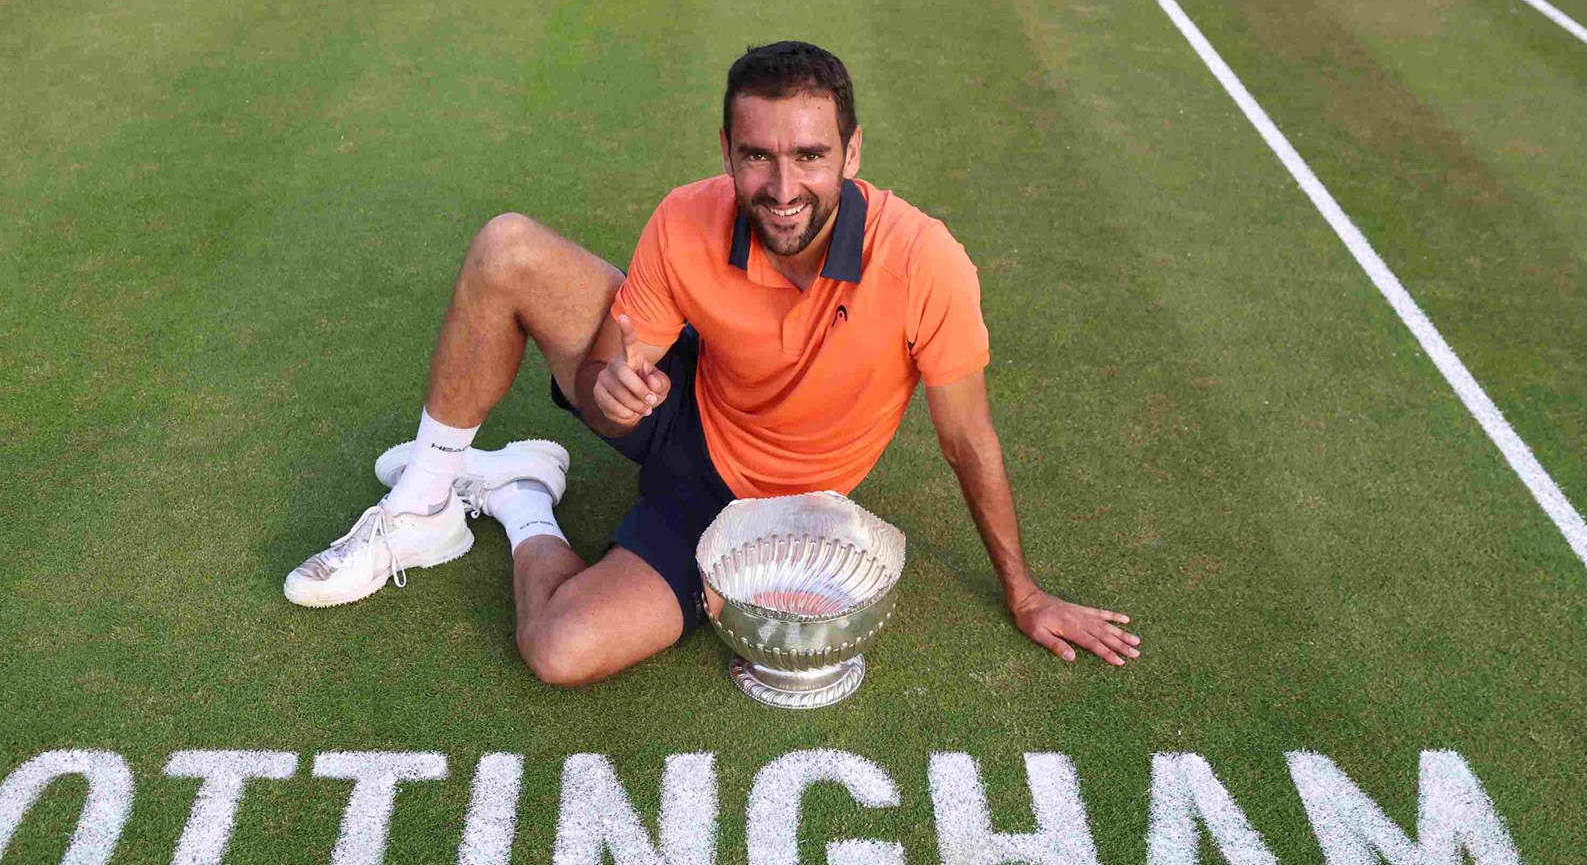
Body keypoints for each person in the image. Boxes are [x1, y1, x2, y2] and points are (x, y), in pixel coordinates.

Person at [284, 40, 1140, 686]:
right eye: (756, 155)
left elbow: (968, 441)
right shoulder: (687, 216)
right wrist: (613, 387)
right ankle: (425, 501)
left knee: (558, 649)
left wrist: (1025, 594)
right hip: (687, 402)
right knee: (507, 247)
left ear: (851, 152)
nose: (781, 186)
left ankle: (520, 501)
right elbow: (623, 374)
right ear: (728, 149)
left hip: (753, 507)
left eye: (808, 155)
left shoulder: (923, 261)